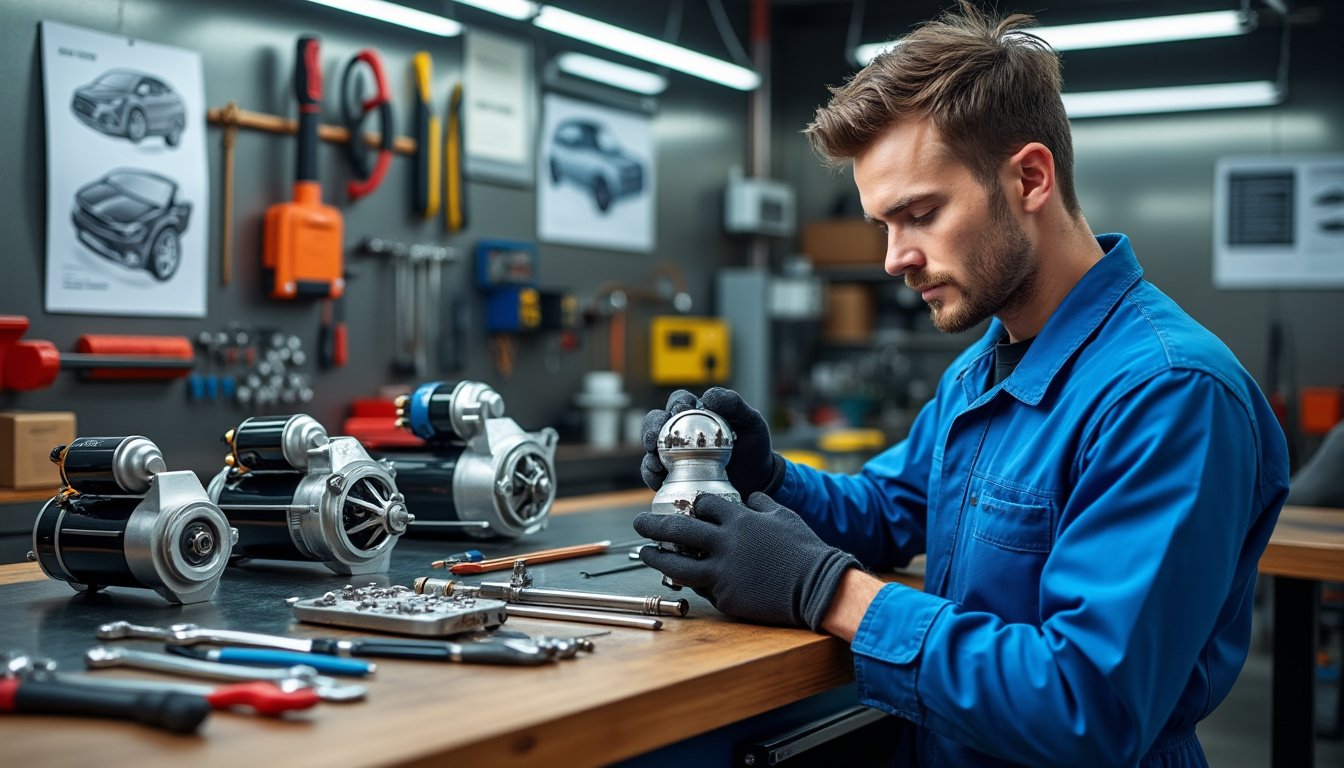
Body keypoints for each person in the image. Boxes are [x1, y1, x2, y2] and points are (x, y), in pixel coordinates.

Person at [632, 2, 1290, 766]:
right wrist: (765, 478)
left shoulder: (1170, 395)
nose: (893, 258)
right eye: (884, 223)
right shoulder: (985, 366)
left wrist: (831, 592)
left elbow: (1087, 705)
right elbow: (890, 510)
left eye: (919, 214)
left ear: (1030, 179)